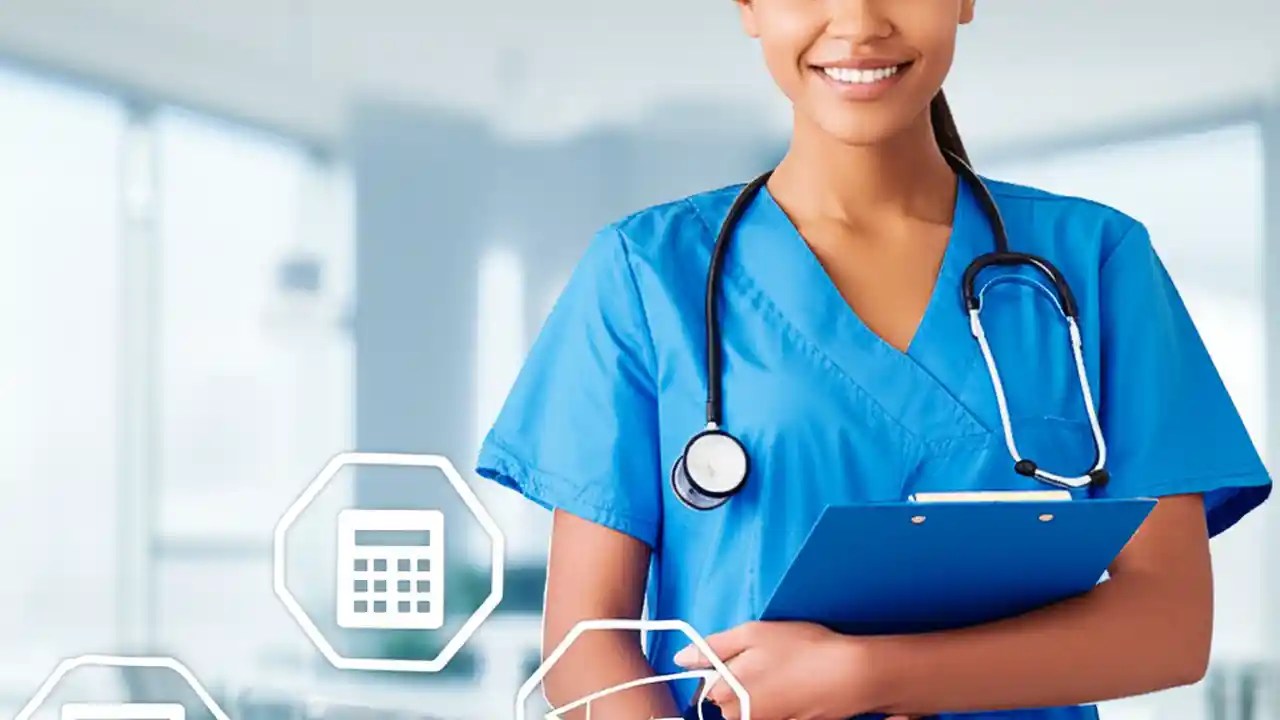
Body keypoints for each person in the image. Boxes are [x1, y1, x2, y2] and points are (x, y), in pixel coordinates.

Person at [475, 1, 1272, 718]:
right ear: (749, 6)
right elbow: (583, 649)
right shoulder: (647, 271)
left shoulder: (1095, 262)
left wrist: (871, 675)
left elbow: (1168, 626)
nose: (857, 20)